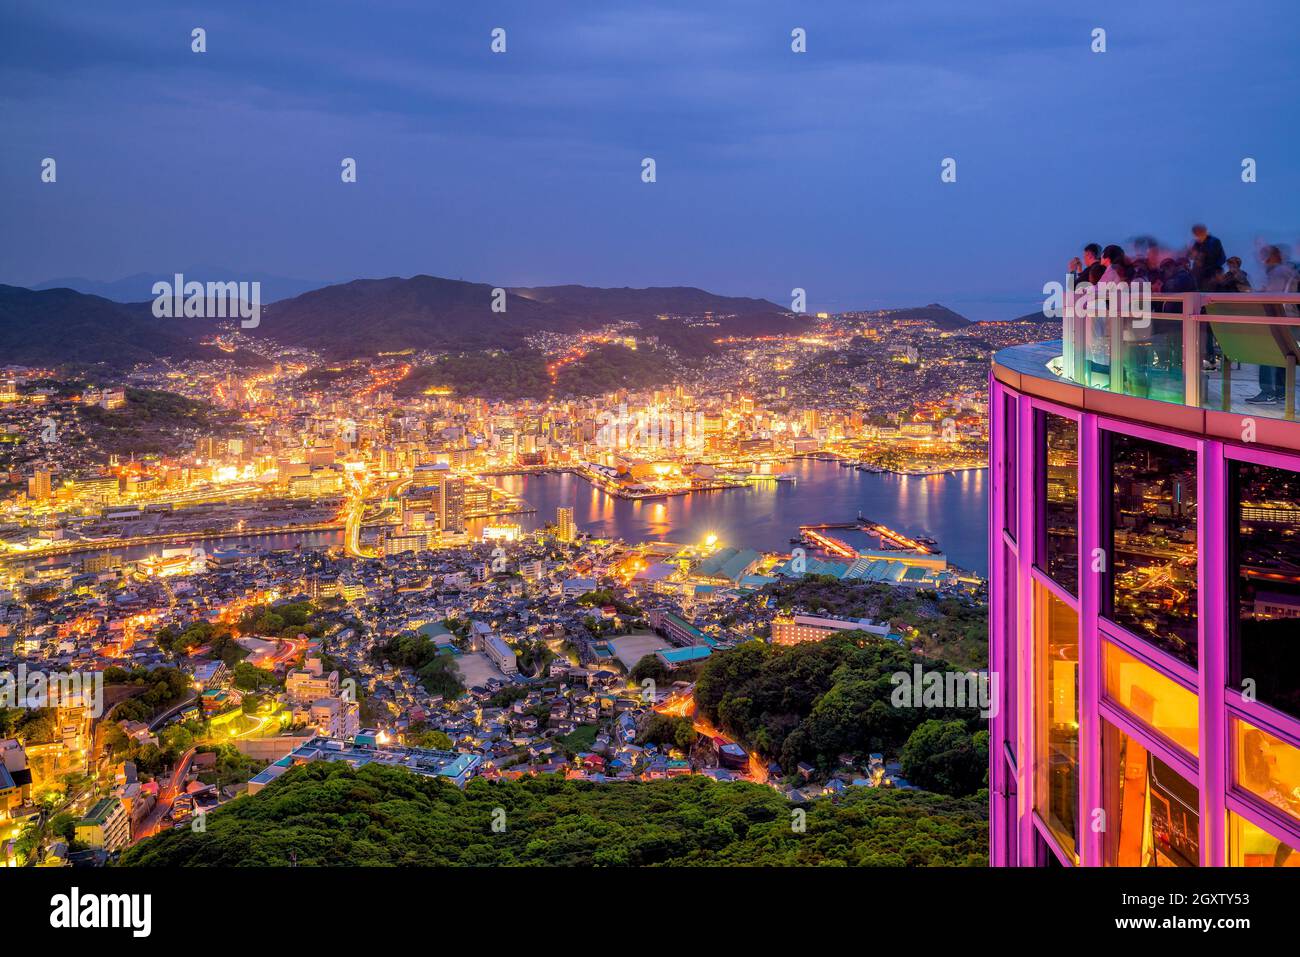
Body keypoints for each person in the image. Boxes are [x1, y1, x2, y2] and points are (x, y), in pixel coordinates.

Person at [1246, 246, 1299, 405]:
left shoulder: (1278, 272)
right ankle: (1282, 393)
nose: (1263, 261)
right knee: (1284, 356)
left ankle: (1267, 392)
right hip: (1291, 319)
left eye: (1265, 257)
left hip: (1280, 318)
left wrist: (1256, 293)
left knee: (1266, 352)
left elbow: (1272, 296)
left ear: (1273, 257)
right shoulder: (1289, 271)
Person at [1190, 223, 1227, 291]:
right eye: (1196, 234)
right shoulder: (1196, 244)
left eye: (1199, 233)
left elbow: (1222, 258)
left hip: (1212, 277)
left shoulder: (1214, 242)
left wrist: (1215, 272)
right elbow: (1191, 257)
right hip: (1199, 277)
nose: (1197, 236)